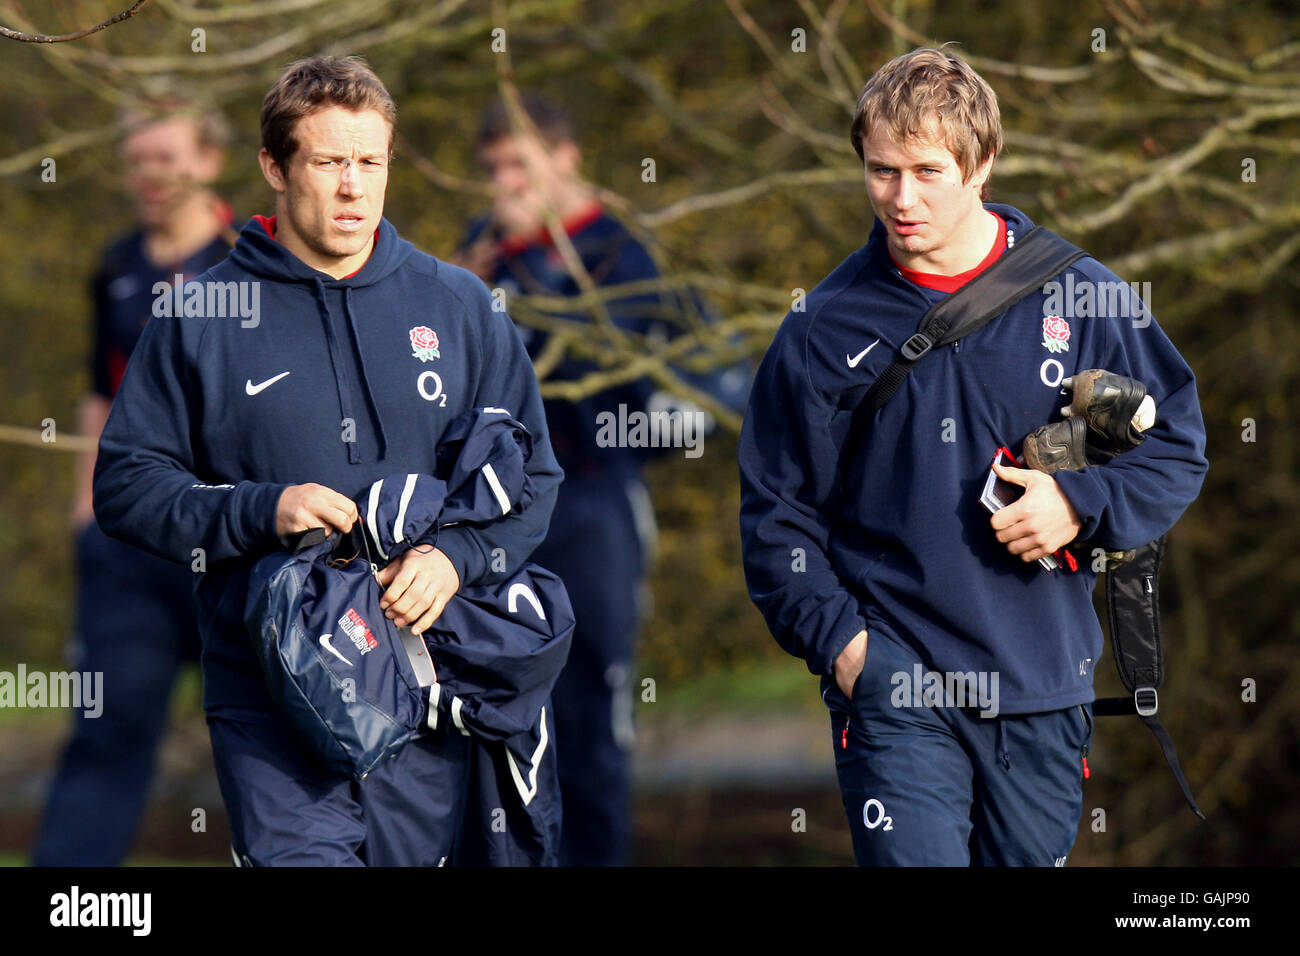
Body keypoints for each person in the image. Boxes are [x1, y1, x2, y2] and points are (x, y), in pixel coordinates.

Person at [737, 47, 1207, 866]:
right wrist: (850, 653)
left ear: (983, 163)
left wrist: (1077, 506)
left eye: (927, 170)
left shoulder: (1078, 293)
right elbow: (776, 518)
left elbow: (1178, 445)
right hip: (894, 686)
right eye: (882, 171)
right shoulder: (823, 327)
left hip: (1042, 684)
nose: (902, 198)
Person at [92, 56, 561, 866]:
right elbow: (127, 486)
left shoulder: (458, 304)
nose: (353, 186)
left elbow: (532, 477)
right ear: (274, 167)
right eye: (329, 161)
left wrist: (456, 559)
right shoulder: (198, 315)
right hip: (270, 693)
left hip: (424, 683)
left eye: (370, 162)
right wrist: (258, 510)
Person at [456, 97, 675, 866]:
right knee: (495, 715)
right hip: (496, 514)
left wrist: (548, 300)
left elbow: (653, 397)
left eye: (519, 165)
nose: (504, 185)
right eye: (493, 170)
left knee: (592, 714)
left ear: (566, 157)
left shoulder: (621, 255)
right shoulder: (480, 255)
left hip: (594, 503)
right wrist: (462, 294)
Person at [33, 106, 236, 866]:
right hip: (126, 549)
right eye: (137, 159)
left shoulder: (251, 261)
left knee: (272, 736)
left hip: (227, 544)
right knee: (106, 731)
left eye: (167, 156)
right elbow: (99, 394)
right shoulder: (116, 266)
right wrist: (84, 505)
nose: (151, 174)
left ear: (210, 161)